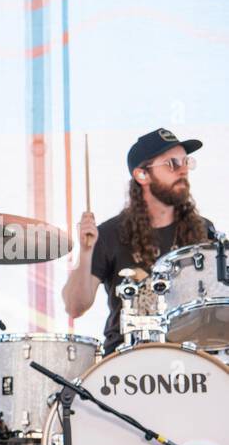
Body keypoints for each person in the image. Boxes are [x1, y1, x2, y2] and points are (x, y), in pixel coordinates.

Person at [63, 128, 215, 353]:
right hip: (128, 362)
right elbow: (75, 307)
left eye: (186, 162)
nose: (183, 170)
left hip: (191, 358)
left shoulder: (203, 230)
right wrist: (86, 253)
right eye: (172, 164)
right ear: (142, 175)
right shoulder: (109, 234)